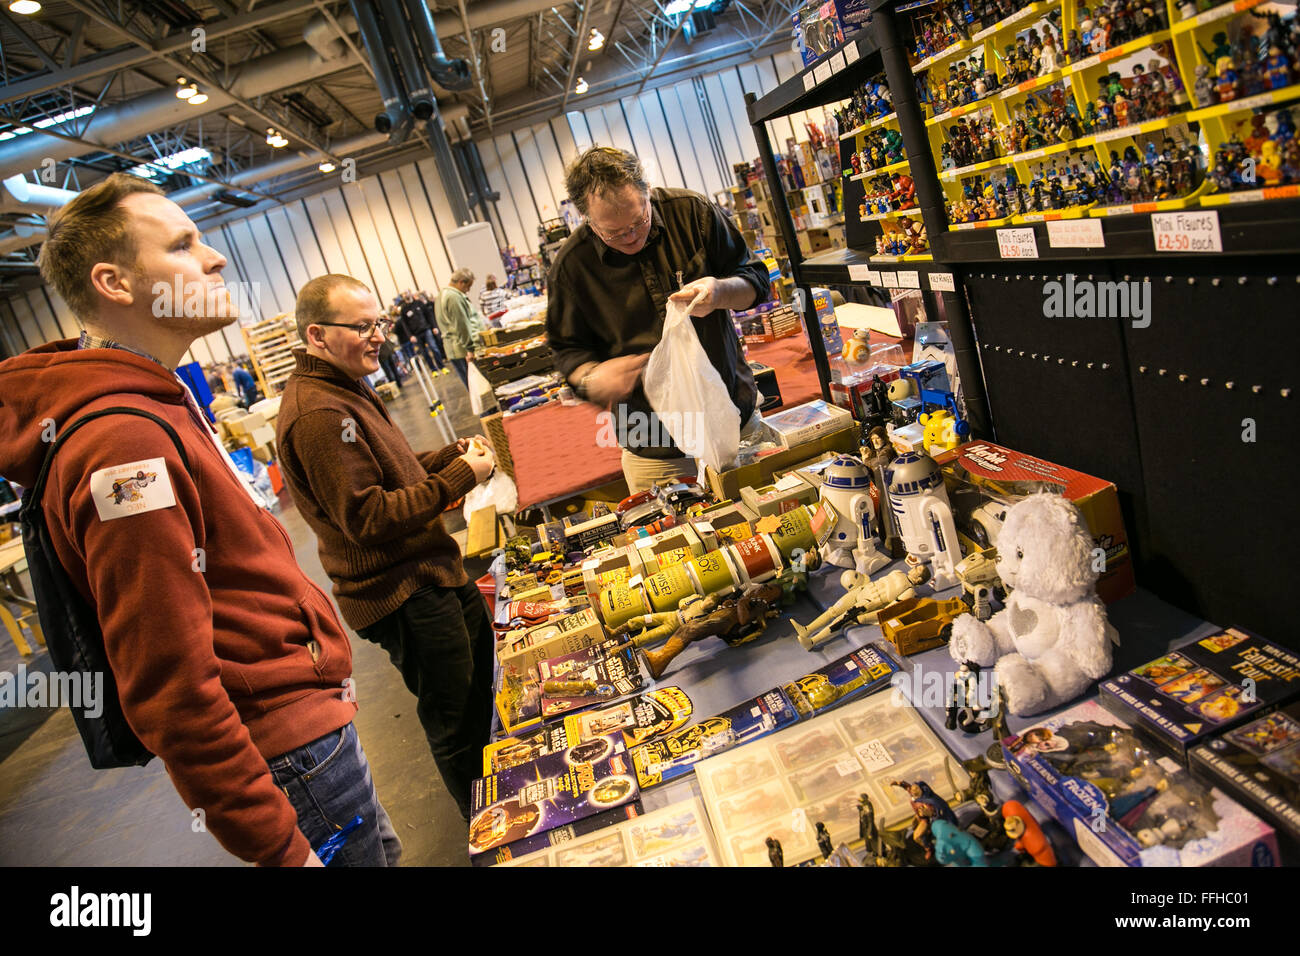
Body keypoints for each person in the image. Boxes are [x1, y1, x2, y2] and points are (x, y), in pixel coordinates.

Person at [0, 172, 394, 867]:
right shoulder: (124, 446)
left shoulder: (159, 401)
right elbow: (169, 685)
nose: (213, 258)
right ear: (115, 284)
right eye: (183, 244)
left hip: (311, 735)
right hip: (290, 758)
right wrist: (279, 847)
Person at [274, 273, 498, 821]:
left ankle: (502, 799)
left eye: (379, 322)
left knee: (480, 696)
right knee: (457, 723)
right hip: (403, 590)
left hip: (429, 571)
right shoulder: (319, 414)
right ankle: (491, 829)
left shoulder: (345, 385)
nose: (378, 336)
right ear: (317, 336)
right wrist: (459, 480)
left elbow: (390, 473)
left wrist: (449, 456)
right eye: (362, 326)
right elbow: (368, 517)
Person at [545, 146, 771, 493]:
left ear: (647, 190)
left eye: (639, 221)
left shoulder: (693, 213)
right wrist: (592, 377)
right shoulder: (571, 267)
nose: (631, 237)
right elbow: (566, 351)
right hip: (653, 448)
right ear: (586, 219)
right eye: (614, 233)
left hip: (733, 423)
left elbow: (756, 281)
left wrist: (720, 292)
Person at [437, 268, 484, 387]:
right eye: (468, 286)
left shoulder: (443, 294)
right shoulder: (454, 297)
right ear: (461, 282)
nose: (467, 290)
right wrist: (470, 348)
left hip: (457, 348)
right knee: (477, 386)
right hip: (462, 350)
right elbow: (461, 324)